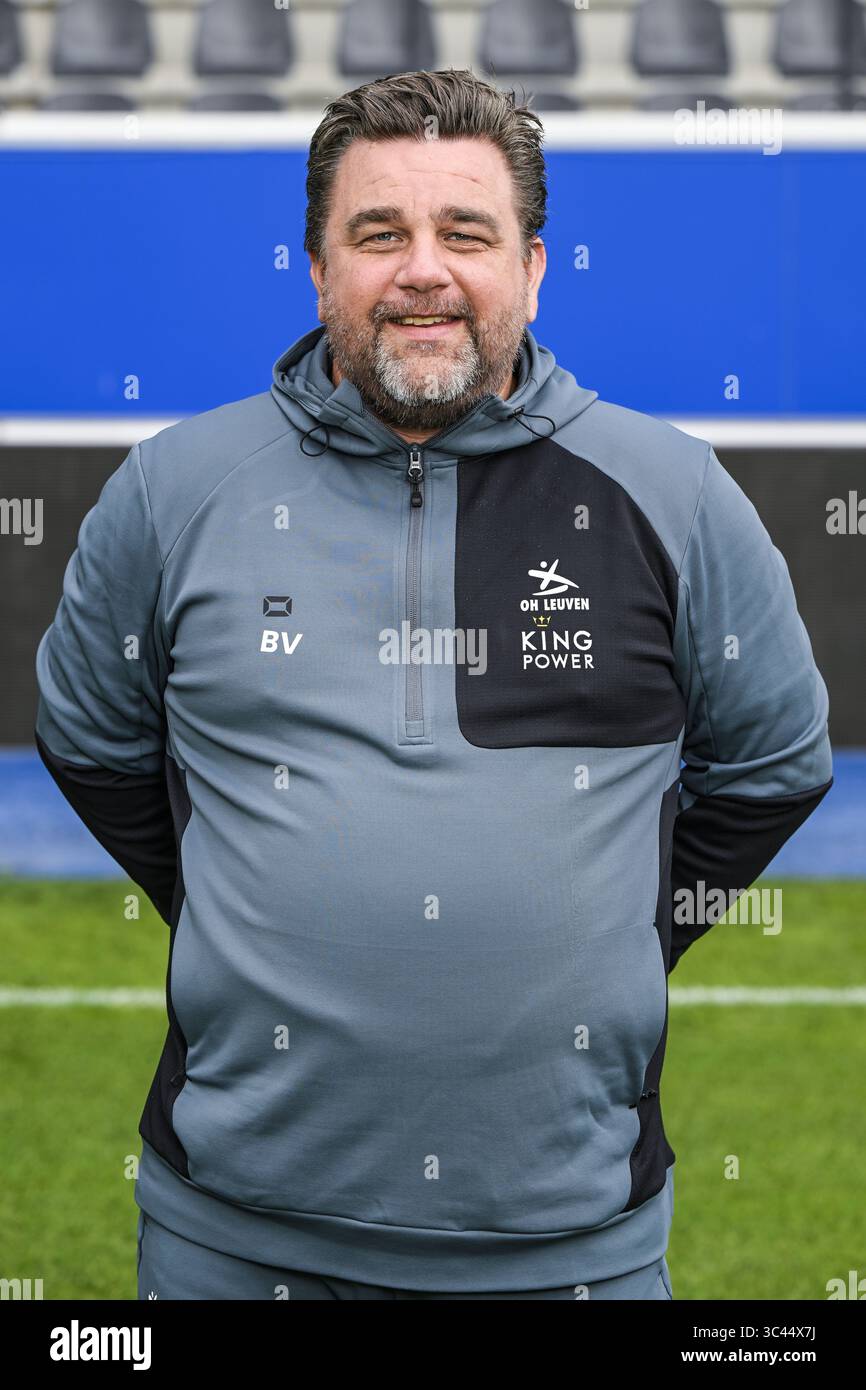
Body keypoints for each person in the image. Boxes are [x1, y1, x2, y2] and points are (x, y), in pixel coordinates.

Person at [34, 69, 833, 1301]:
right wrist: (239, 908)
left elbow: (773, 764)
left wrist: (620, 933)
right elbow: (91, 745)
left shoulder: (672, 493)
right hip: (231, 1243)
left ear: (532, 266)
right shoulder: (171, 489)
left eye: (465, 232)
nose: (422, 270)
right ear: (315, 267)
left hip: (571, 1250)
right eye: (377, 233)